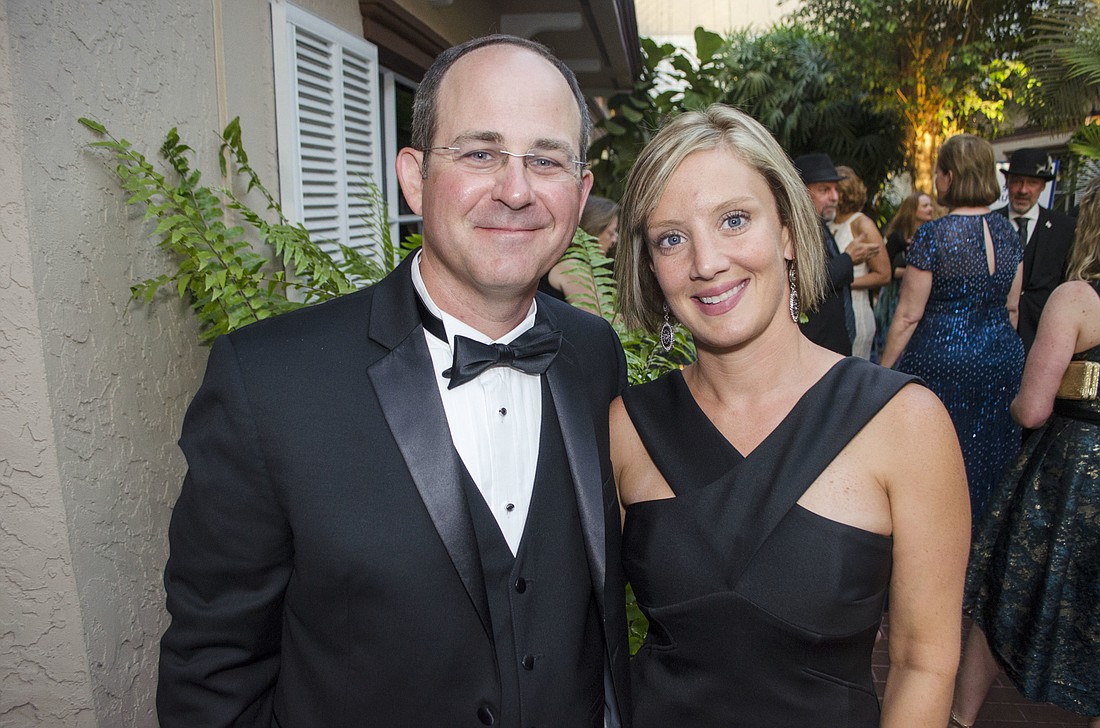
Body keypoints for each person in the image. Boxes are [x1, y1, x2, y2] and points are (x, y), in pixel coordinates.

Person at [157, 35, 632, 728]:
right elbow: (212, 671)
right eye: (480, 153)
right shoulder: (268, 381)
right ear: (414, 178)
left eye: (546, 160)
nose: (517, 189)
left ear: (581, 191)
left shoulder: (595, 355)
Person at [611, 104, 969, 727]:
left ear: (785, 227)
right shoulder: (628, 425)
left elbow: (924, 661)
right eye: (671, 238)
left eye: (733, 220)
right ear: (649, 265)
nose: (706, 261)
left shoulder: (904, 422)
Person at [949, 176, 1100, 728]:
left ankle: (959, 719)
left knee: (1006, 591)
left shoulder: (1078, 300)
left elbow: (1033, 409)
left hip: (1070, 476)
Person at [881, 134, 1025, 530]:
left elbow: (908, 315)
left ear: (948, 177)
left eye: (938, 173)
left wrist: (884, 372)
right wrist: (994, 351)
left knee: (939, 463)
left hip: (943, 362)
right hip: (1002, 359)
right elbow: (1013, 306)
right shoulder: (1010, 233)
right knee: (990, 462)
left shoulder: (934, 235)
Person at [792, 153, 882, 356]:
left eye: (835, 189)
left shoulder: (821, 224)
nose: (834, 197)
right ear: (802, 192)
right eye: (825, 190)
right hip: (816, 346)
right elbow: (806, 283)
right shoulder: (794, 231)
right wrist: (848, 258)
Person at [996, 147, 1076, 353]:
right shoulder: (990, 223)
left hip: (1043, 341)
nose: (1023, 190)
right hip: (992, 342)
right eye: (1017, 181)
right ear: (1007, 182)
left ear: (1042, 186)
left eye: (1031, 183)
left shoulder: (1064, 228)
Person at [830, 165, 890, 358]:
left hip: (856, 312)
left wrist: (842, 280)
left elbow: (884, 274)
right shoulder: (828, 223)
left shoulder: (861, 223)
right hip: (833, 315)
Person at [872, 191, 936, 361]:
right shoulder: (896, 237)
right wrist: (915, 271)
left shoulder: (933, 236)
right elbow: (888, 270)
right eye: (925, 205)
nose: (930, 209)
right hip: (894, 299)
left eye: (930, 205)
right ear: (912, 209)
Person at [541, 195, 620, 303]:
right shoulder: (574, 267)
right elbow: (600, 315)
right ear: (594, 229)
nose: (615, 239)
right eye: (611, 232)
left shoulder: (562, 261)